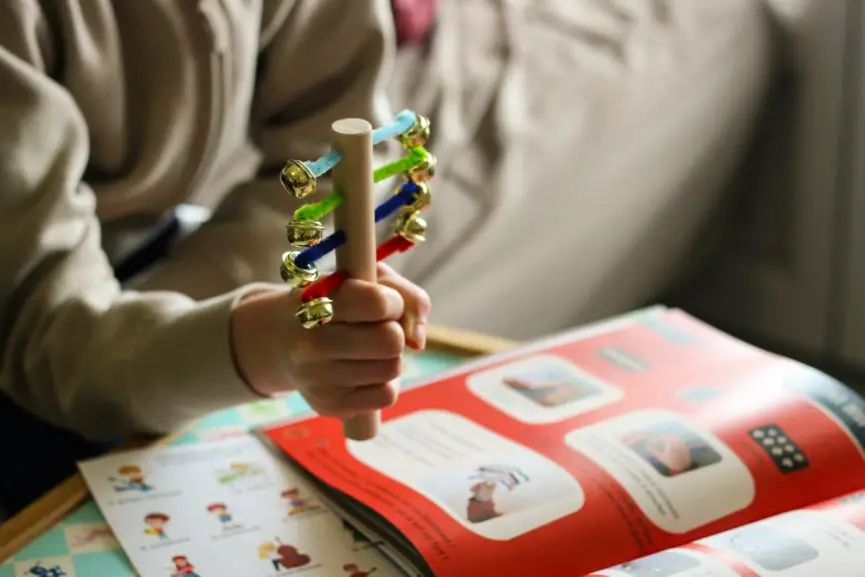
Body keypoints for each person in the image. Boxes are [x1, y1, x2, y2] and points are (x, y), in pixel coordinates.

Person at [0, 0, 772, 518]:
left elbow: (340, 157)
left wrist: (229, 319)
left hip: (124, 267)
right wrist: (259, 340)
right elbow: (47, 338)